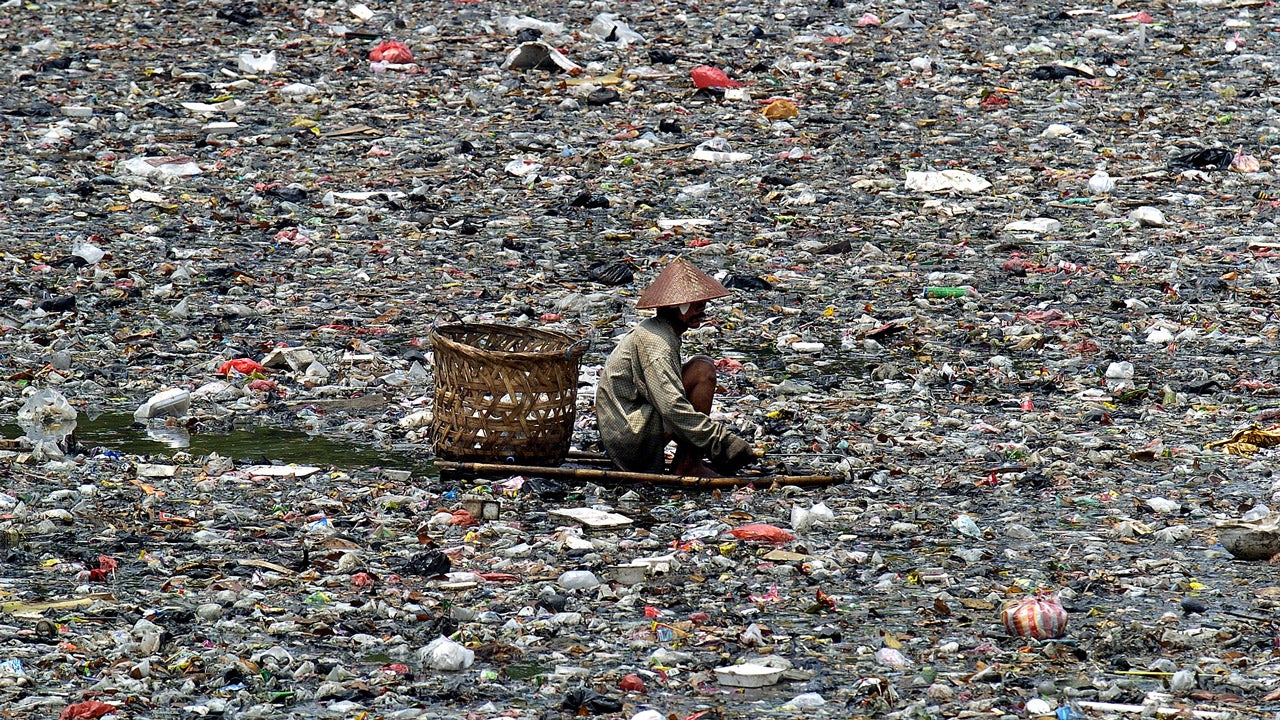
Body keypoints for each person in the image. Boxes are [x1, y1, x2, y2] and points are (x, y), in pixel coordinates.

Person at [595, 257, 758, 477]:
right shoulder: (657, 345)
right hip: (630, 435)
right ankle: (689, 464)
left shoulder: (661, 331)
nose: (702, 307)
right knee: (703, 372)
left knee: (702, 364)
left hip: (632, 422)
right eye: (693, 302)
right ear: (673, 306)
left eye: (702, 301)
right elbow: (672, 407)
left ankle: (689, 460)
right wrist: (722, 441)